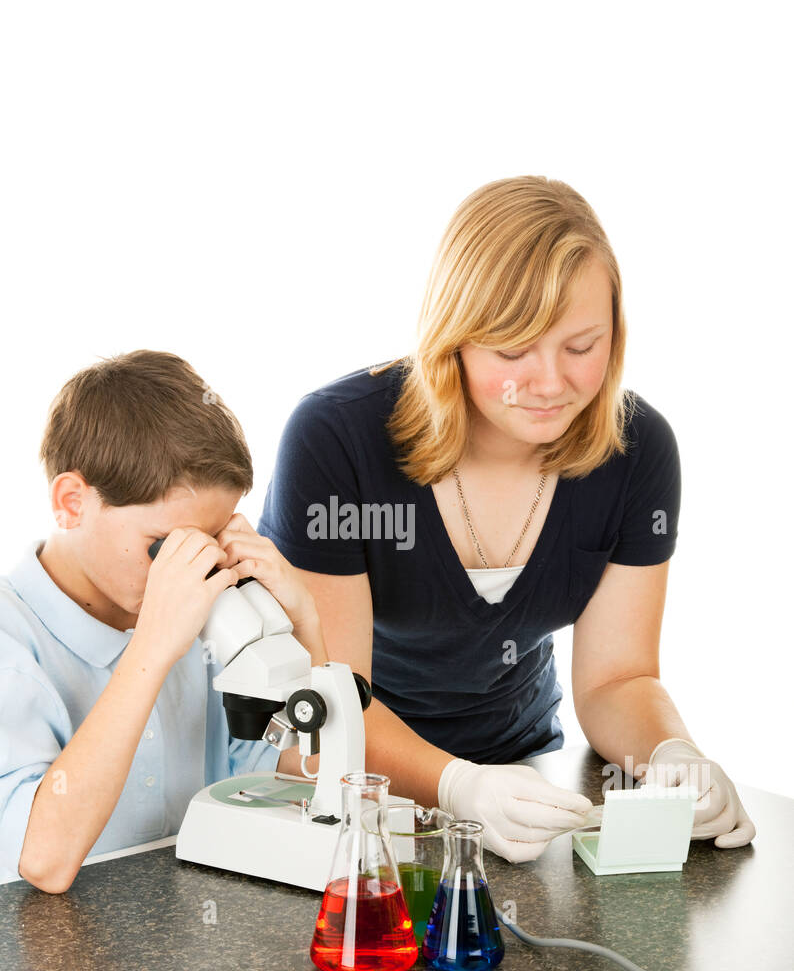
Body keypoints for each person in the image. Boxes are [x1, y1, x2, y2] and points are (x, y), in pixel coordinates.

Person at [257, 176, 756, 861]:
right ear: (453, 339)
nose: (550, 383)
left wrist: (673, 752)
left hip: (524, 775)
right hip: (343, 781)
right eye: (513, 350)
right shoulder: (335, 440)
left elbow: (617, 679)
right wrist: (459, 786)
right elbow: (330, 711)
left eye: (582, 346)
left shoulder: (637, 452)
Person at [0, 350, 327, 899]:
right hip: (17, 963)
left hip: (167, 945)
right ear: (72, 503)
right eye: (165, 546)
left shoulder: (207, 620)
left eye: (211, 539)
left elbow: (305, 777)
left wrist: (303, 619)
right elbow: (44, 858)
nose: (194, 567)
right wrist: (154, 646)